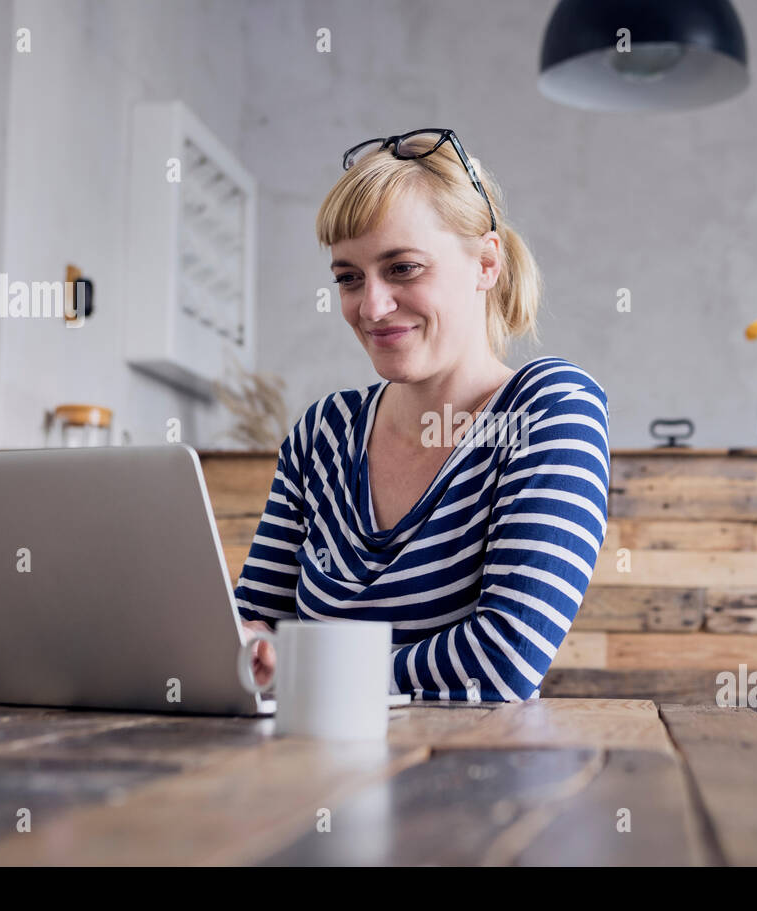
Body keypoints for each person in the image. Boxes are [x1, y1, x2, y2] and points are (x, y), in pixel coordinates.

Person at [235, 129, 609, 702]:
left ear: (486, 263)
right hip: (307, 779)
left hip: (471, 781)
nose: (372, 307)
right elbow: (252, 624)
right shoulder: (322, 433)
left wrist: (305, 669)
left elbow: (504, 660)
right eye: (348, 277)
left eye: (403, 268)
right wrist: (245, 646)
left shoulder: (550, 409)